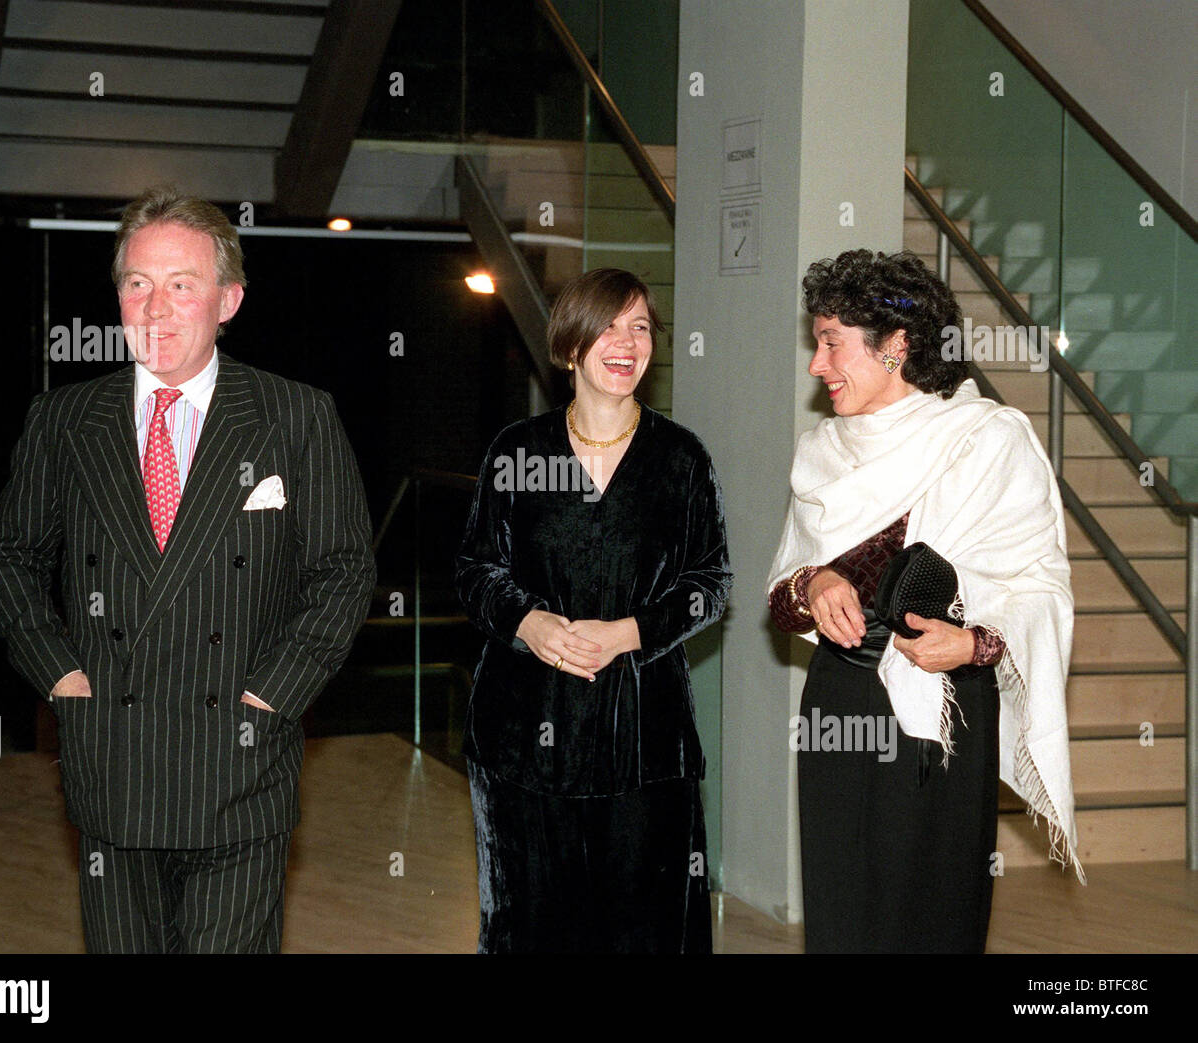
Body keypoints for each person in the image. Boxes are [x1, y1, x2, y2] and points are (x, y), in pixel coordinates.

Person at [0, 186, 375, 953]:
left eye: (180, 285)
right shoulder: (64, 420)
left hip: (241, 762)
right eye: (137, 284)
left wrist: (272, 695)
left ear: (228, 299)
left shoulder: (295, 415)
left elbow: (344, 570)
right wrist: (60, 673)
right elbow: (7, 554)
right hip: (111, 762)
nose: (155, 308)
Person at [767, 248, 1082, 954]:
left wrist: (973, 644)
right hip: (840, 699)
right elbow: (781, 599)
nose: (817, 365)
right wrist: (813, 583)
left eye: (830, 342)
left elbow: (1041, 589)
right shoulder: (821, 450)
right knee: (842, 905)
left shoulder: (989, 442)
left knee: (933, 911)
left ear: (897, 345)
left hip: (946, 707)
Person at [455, 267, 731, 953]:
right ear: (572, 342)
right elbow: (474, 569)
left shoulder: (680, 459)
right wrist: (531, 622)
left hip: (644, 737)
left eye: (640, 326)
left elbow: (710, 582)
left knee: (646, 929)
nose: (626, 341)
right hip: (525, 734)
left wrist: (629, 633)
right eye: (609, 324)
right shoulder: (516, 452)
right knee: (535, 929)